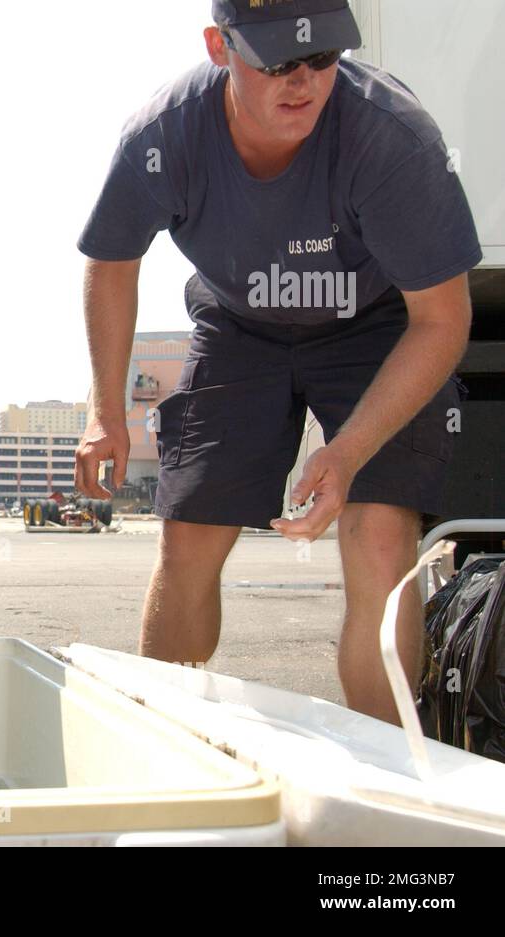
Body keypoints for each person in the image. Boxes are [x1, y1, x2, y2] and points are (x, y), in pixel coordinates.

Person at [74, 0, 480, 722]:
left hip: (378, 324)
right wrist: (107, 410)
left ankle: (385, 788)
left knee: (381, 539)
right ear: (218, 46)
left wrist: (348, 450)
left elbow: (443, 320)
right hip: (239, 321)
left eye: (323, 58)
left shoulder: (392, 140)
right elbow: (111, 260)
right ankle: (171, 750)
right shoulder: (164, 136)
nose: (304, 83)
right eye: (278, 63)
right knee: (189, 535)